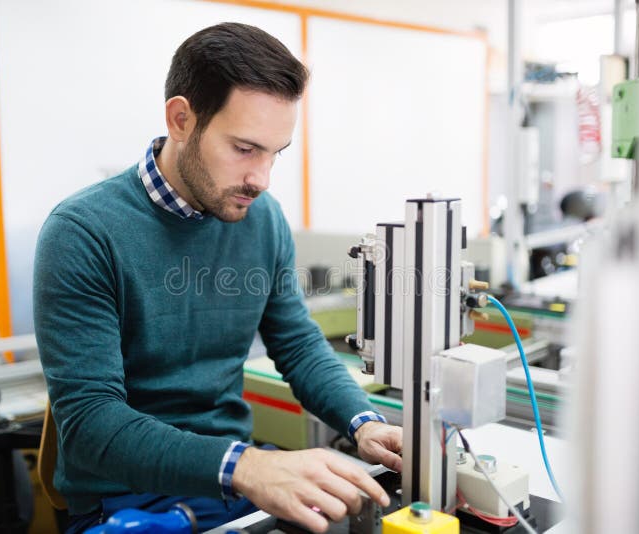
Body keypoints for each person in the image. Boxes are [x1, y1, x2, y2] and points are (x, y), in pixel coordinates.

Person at [33, 22, 403, 534]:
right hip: (126, 500)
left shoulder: (262, 218)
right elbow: (92, 426)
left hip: (229, 485)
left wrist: (363, 422)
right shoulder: (83, 232)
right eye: (245, 148)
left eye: (276, 153)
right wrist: (248, 467)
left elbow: (296, 342)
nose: (262, 179)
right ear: (182, 118)